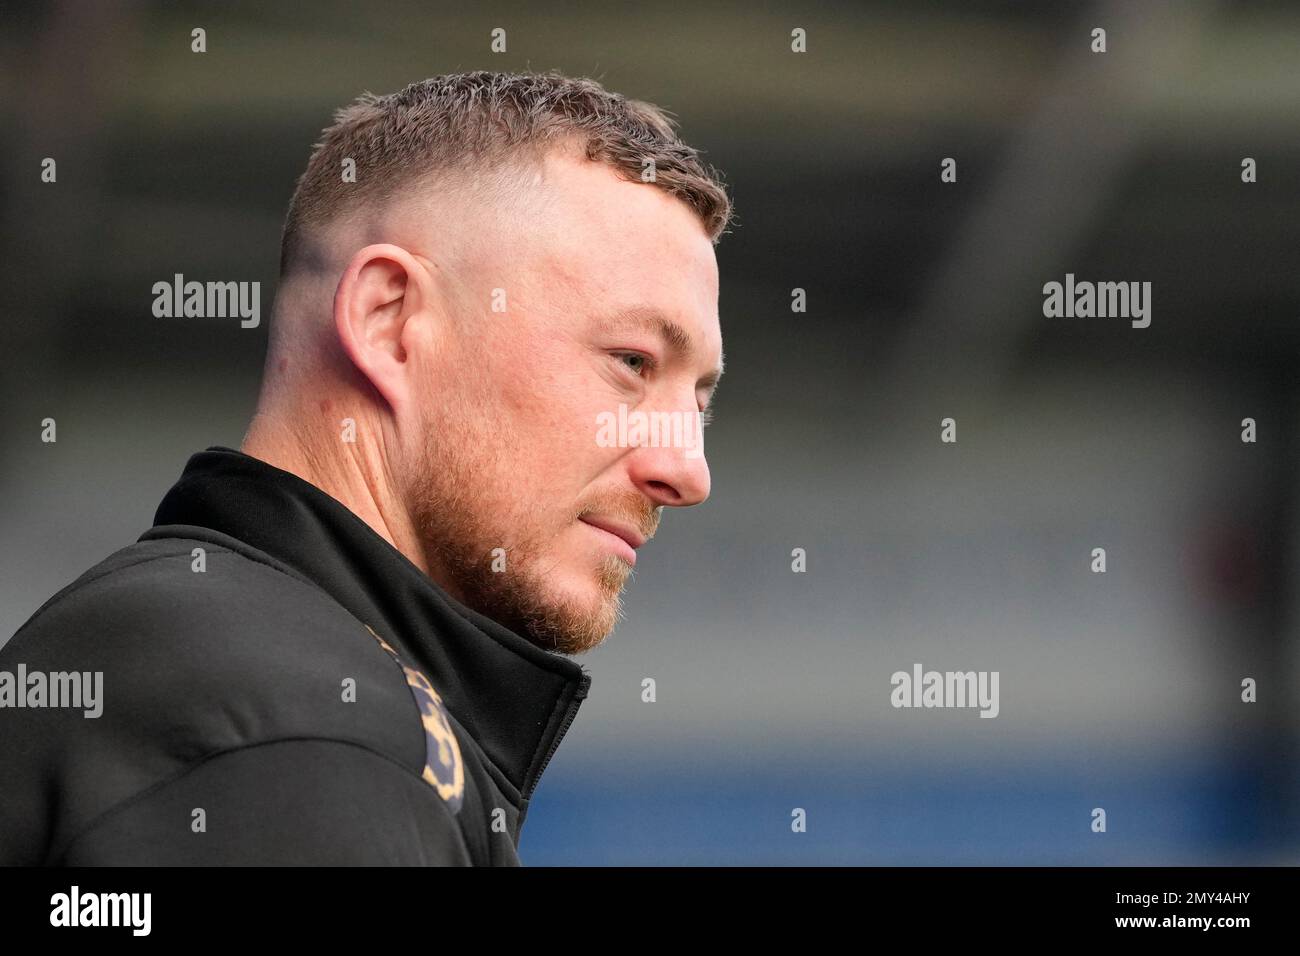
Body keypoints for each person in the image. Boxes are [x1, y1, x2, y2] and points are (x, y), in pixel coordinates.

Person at [0, 70, 731, 865]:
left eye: (699, 399)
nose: (688, 470)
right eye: (631, 361)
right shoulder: (300, 736)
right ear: (388, 320)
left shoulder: (242, 678)